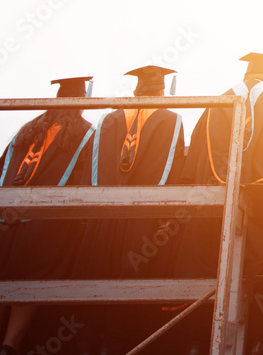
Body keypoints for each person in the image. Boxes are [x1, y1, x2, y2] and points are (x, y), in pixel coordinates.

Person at [175, 52, 263, 355]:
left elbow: (197, 151)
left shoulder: (218, 101)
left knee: (215, 273)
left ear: (247, 73)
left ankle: (201, 341)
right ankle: (258, 343)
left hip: (221, 202)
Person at [0, 78, 95, 355]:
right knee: (31, 279)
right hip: (44, 222)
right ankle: (9, 345)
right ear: (82, 99)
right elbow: (86, 180)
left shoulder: (27, 130)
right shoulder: (85, 133)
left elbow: (1, 168)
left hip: (4, 216)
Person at [72, 66, 186, 354]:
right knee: (132, 282)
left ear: (136, 90)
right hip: (143, 219)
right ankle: (119, 344)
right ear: (161, 90)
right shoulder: (171, 119)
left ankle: (88, 344)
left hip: (104, 216)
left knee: (96, 278)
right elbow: (173, 169)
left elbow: (90, 168)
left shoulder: (109, 118)